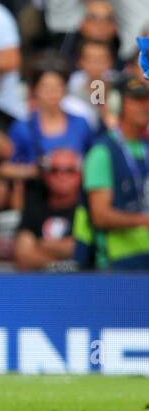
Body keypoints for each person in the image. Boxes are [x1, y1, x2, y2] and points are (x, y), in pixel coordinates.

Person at [75, 72, 149, 271]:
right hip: (118, 263)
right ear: (117, 105)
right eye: (137, 100)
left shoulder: (146, 147)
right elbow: (100, 215)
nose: (145, 106)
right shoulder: (102, 152)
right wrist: (143, 220)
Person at [14, 147, 82, 272]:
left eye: (69, 171)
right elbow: (23, 255)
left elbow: (80, 249)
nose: (61, 176)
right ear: (45, 175)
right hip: (39, 286)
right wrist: (62, 266)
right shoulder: (35, 205)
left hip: (84, 286)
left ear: (80, 175)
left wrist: (40, 244)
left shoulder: (86, 207)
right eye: (54, 170)